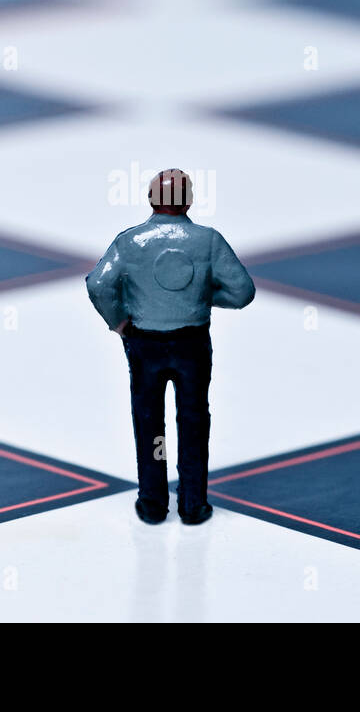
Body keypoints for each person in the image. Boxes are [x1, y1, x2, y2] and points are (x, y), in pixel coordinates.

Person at [86, 168, 255, 525]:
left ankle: (152, 503)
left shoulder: (130, 242)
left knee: (150, 424)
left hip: (144, 342)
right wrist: (204, 296)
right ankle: (193, 505)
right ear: (190, 201)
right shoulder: (207, 240)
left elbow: (99, 285)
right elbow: (242, 291)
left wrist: (119, 321)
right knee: (193, 421)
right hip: (192, 342)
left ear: (151, 200)